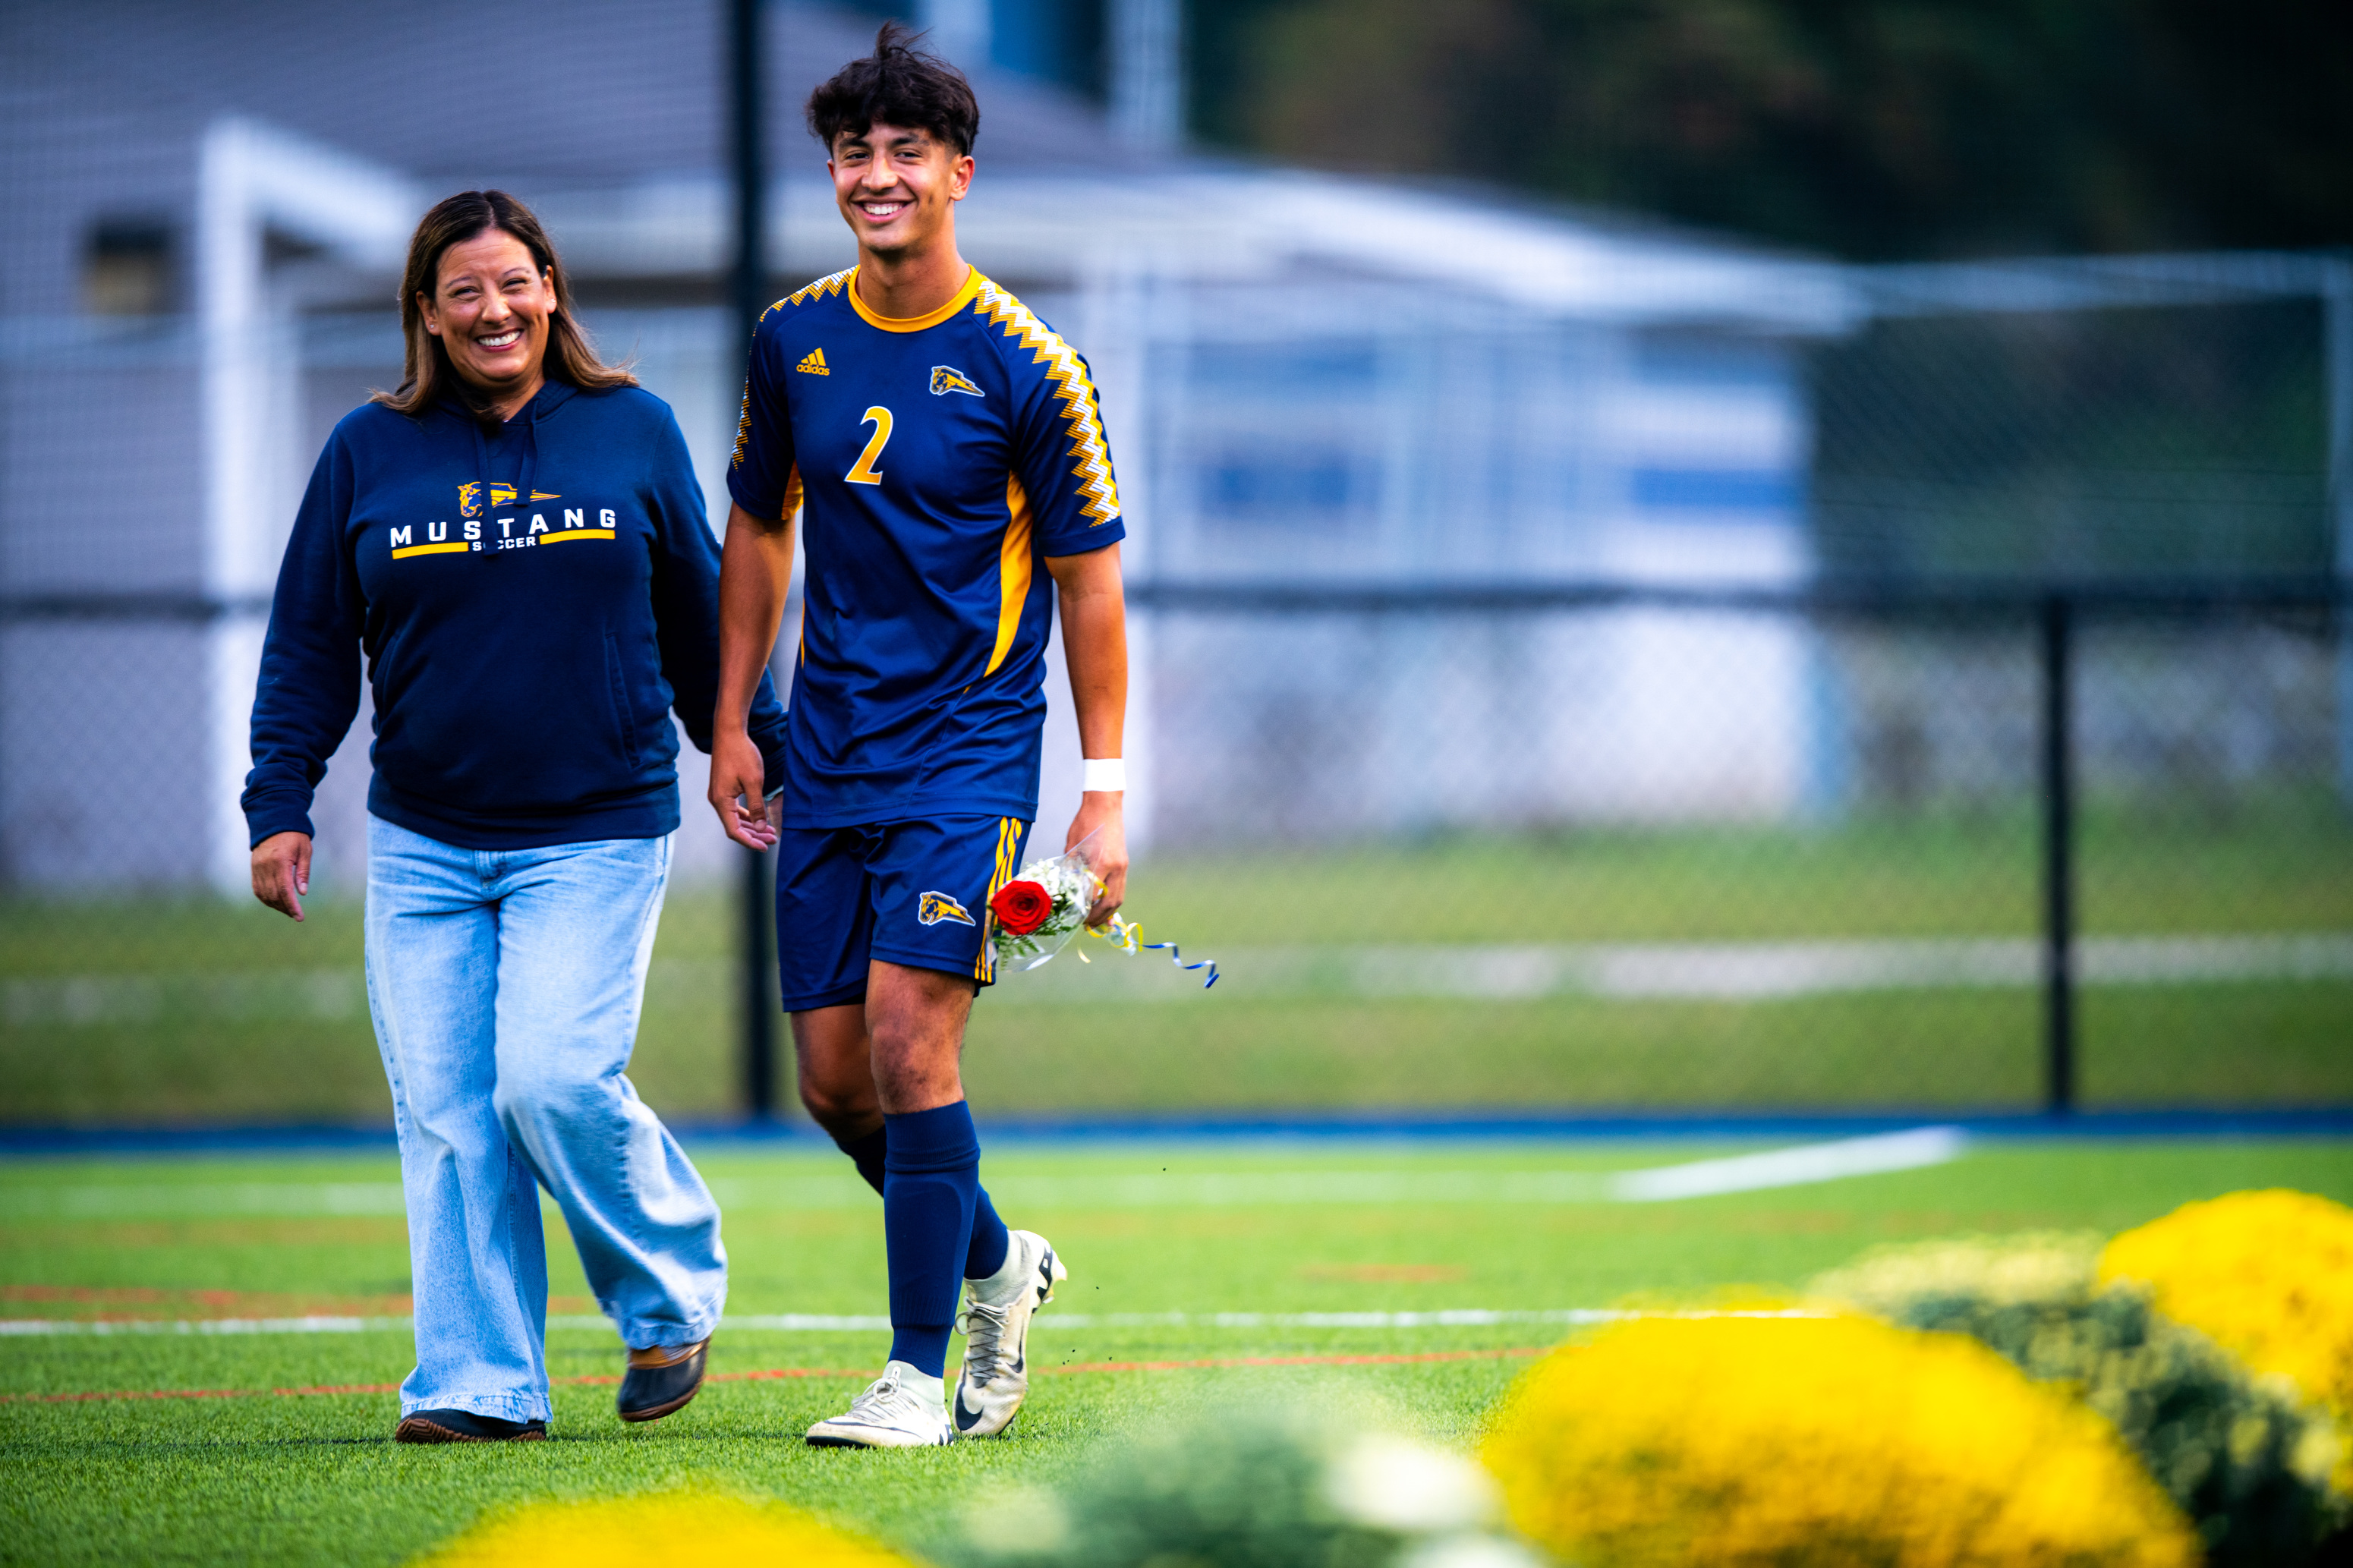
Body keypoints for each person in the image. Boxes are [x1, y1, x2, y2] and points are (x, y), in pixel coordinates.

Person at [244, 190, 789, 1443]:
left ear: (551, 288)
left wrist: (746, 743)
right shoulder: (364, 453)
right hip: (426, 837)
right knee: (445, 1113)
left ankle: (667, 1291)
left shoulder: (632, 430)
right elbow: (310, 644)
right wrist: (281, 803)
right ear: (426, 315)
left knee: (549, 1079)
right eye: (464, 292)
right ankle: (479, 1383)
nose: (494, 309)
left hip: (596, 827)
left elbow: (707, 617)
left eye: (514, 283)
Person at [708, 24, 1130, 1447]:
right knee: (835, 1085)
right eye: (854, 152)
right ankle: (1006, 1264)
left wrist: (1105, 797)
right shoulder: (792, 337)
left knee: (908, 1041)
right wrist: (732, 722)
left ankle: (914, 1370)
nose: (877, 175)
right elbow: (759, 525)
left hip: (969, 755)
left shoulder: (1034, 366)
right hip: (825, 751)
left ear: (960, 172)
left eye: (905, 153)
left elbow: (1091, 589)